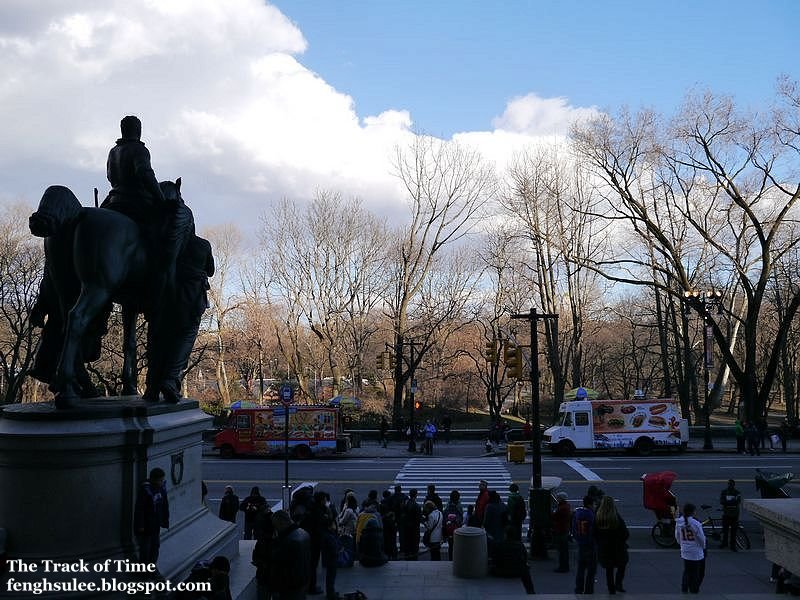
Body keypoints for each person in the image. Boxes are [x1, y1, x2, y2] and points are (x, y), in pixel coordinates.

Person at [133, 467, 170, 576]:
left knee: (155, 546)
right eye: (160, 480)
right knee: (146, 548)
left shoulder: (161, 489)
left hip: (155, 524)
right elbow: (139, 509)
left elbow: (165, 506)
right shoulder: (146, 490)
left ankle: (151, 567)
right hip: (147, 525)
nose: (162, 482)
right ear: (154, 479)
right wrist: (140, 525)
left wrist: (165, 521)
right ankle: (144, 569)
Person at [270, 509, 311, 600]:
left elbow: (280, 566)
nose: (276, 529)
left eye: (276, 526)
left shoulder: (288, 541)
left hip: (289, 586)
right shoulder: (303, 533)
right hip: (302, 581)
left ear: (282, 523)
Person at [594, 496, 629, 594]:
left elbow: (594, 533)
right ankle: (618, 583)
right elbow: (625, 534)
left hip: (604, 547)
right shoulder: (616, 517)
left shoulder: (598, 517)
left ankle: (611, 588)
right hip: (618, 547)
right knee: (622, 565)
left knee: (609, 570)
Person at [675, 503, 706, 594]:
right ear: (693, 512)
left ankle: (684, 587)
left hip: (685, 550)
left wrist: (682, 544)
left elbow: (677, 536)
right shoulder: (696, 523)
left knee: (687, 570)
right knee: (697, 572)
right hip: (696, 551)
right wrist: (703, 547)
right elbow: (701, 538)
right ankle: (694, 589)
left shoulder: (679, 522)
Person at [572, 495, 597, 595]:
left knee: (580, 569)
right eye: (594, 504)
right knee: (591, 571)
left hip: (581, 543)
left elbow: (573, 528)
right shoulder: (591, 515)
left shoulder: (577, 513)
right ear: (590, 504)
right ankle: (589, 590)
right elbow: (593, 531)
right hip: (590, 545)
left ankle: (579, 588)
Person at [552, 491, 572, 573]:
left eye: (558, 498)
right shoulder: (566, 506)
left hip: (561, 530)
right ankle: (564, 566)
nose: (557, 499)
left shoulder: (562, 508)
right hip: (564, 530)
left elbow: (554, 516)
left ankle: (563, 566)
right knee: (563, 550)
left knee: (562, 550)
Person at [320, 519, 340, 600]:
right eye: (333, 524)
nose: (335, 526)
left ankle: (331, 592)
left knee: (330, 577)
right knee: (331, 577)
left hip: (329, 559)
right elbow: (333, 549)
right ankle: (331, 593)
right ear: (329, 526)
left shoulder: (326, 534)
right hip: (332, 559)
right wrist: (338, 551)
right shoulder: (329, 536)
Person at [719, 479, 742, 551]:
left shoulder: (737, 492)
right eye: (729, 484)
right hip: (727, 513)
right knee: (725, 530)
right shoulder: (724, 492)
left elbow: (737, 502)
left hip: (734, 514)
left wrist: (728, 502)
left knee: (733, 531)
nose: (730, 485)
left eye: (731, 484)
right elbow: (722, 501)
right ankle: (724, 543)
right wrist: (732, 501)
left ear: (733, 485)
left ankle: (732, 545)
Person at [400, 488, 422, 560]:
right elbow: (418, 519)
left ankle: (407, 559)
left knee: (407, 546)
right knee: (414, 548)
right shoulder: (417, 506)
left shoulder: (405, 504)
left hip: (406, 529)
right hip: (414, 530)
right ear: (416, 495)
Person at [443, 490, 465, 561]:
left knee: (451, 546)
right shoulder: (459, 506)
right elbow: (461, 518)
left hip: (449, 529)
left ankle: (450, 559)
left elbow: (444, 517)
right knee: (457, 546)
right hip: (457, 529)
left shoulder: (447, 506)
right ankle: (457, 560)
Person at [379, 489, 398, 560]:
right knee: (393, 540)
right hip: (392, 524)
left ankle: (387, 554)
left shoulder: (381, 504)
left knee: (386, 540)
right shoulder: (393, 502)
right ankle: (394, 554)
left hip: (385, 525)